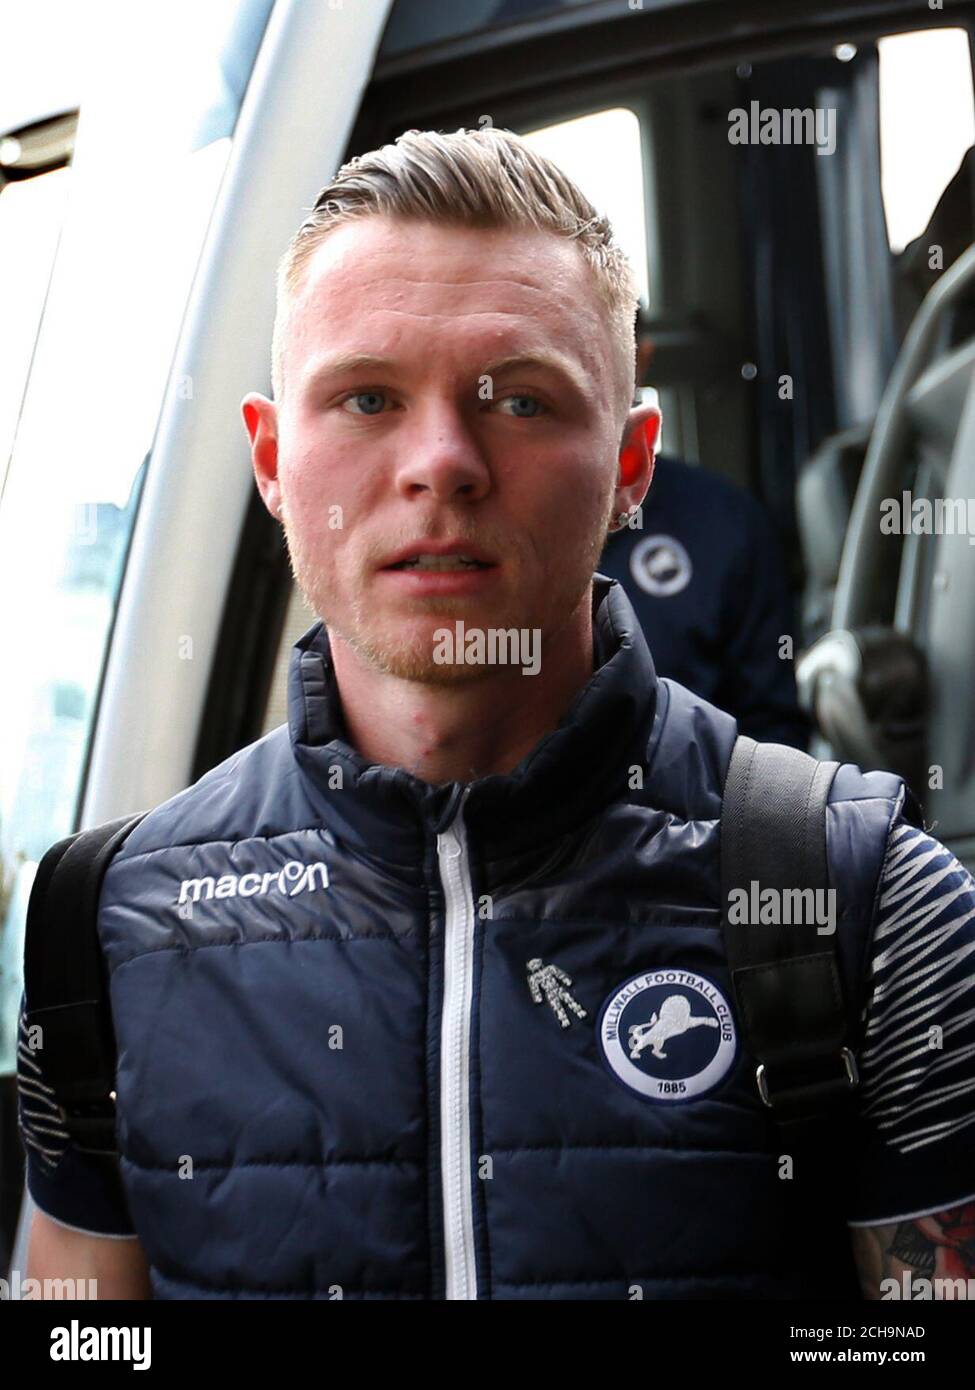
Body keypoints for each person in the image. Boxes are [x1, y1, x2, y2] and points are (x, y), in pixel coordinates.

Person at [18, 128, 975, 1301]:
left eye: (520, 400)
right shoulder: (98, 926)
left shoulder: (870, 900)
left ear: (632, 469)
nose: (443, 462)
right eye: (366, 397)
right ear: (273, 460)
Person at [598, 310, 809, 749]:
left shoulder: (724, 523)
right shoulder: (473, 521)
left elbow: (773, 731)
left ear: (640, 358)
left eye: (596, 348)